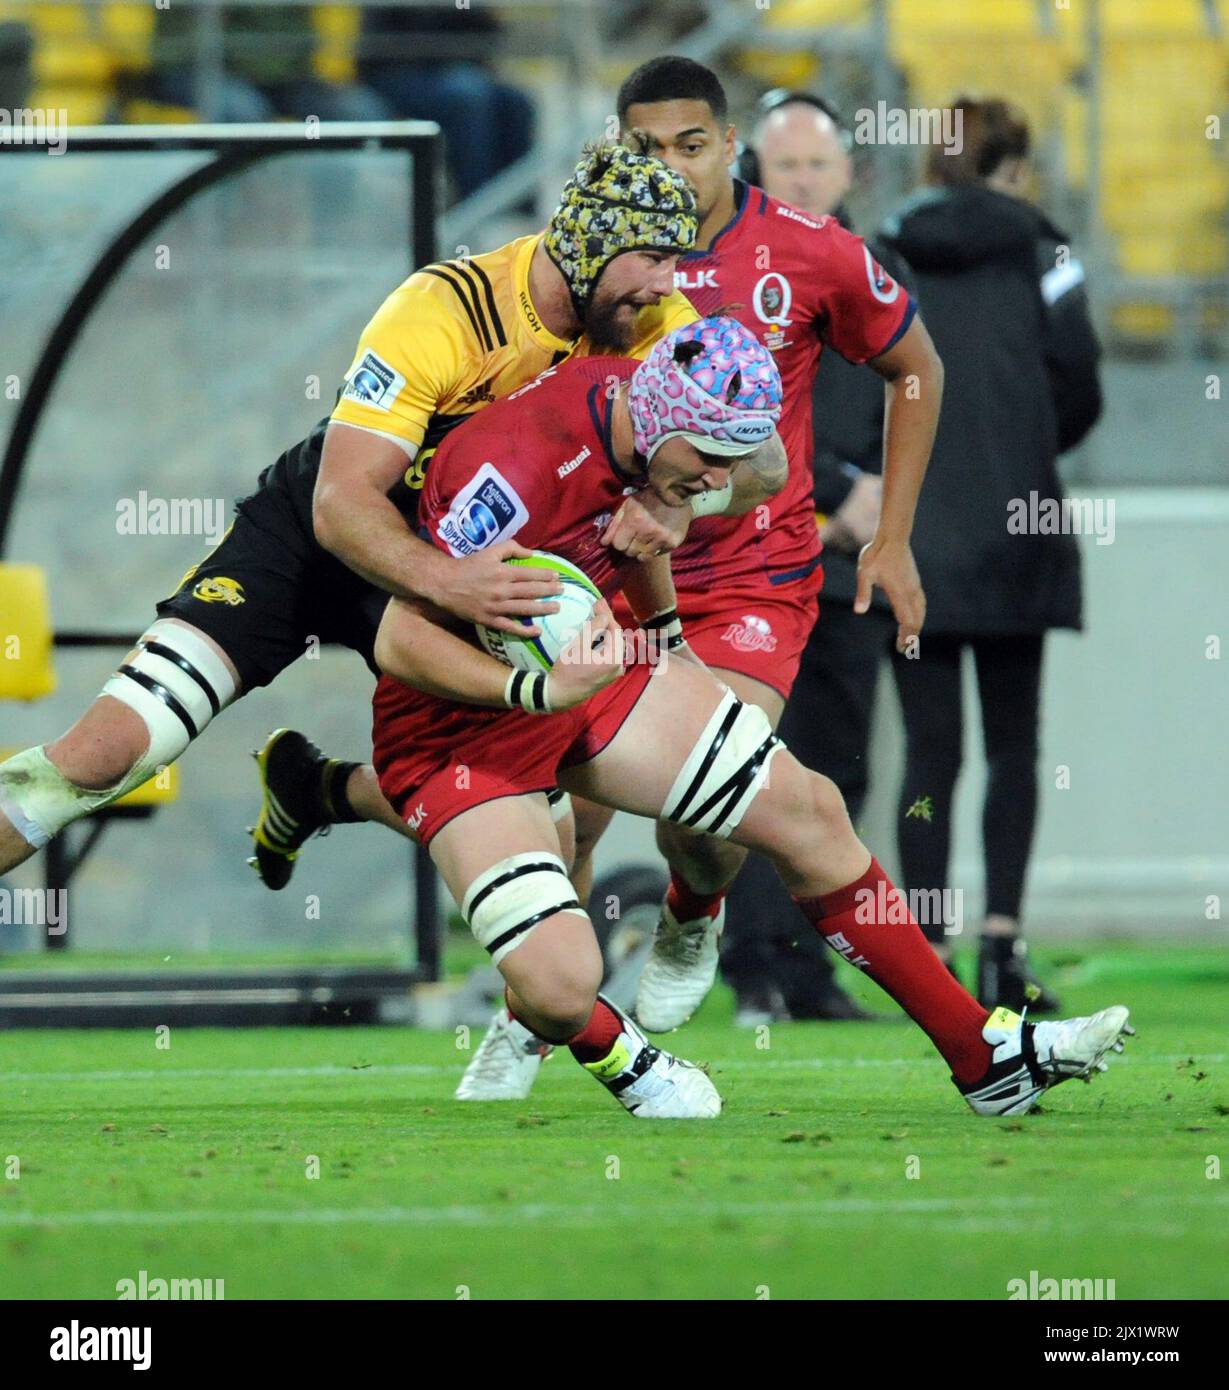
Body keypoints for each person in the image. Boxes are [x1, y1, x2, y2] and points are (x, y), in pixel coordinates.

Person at [372, 316, 1132, 1119]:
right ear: (660, 418)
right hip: (458, 728)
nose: (717, 480)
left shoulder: (640, 426)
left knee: (807, 809)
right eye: (708, 458)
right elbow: (399, 636)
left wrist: (666, 644)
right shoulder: (512, 471)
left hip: (586, 677)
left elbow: (638, 528)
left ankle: (983, 1058)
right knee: (561, 989)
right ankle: (621, 1057)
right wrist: (536, 694)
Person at [0, 146, 700, 886]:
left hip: (455, 574)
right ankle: (316, 788)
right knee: (104, 755)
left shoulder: (660, 325)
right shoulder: (446, 306)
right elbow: (341, 503)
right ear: (588, 240)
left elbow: (753, 449)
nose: (666, 284)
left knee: (555, 844)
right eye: (651, 257)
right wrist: (449, 583)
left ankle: (321, 791)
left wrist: (669, 499)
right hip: (322, 542)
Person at [553, 57, 942, 1050]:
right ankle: (541, 1010)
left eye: (692, 145)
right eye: (646, 149)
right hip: (606, 568)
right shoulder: (587, 255)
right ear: (615, 149)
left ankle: (691, 907)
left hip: (746, 579)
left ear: (731, 145)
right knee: (567, 825)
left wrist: (890, 537)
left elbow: (914, 367)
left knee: (706, 810)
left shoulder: (809, 250)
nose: (673, 168)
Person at [876, 97, 1103, 1012]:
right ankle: (1001, 950)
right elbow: (1081, 384)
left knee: (929, 754)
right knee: (1015, 748)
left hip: (914, 533)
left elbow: (865, 372)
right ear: (1015, 166)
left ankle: (924, 952)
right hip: (1020, 531)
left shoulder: (887, 251)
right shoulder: (1045, 249)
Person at [720, 91, 908, 1025]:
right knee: (745, 767)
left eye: (816, 166)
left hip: (851, 567)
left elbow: (918, 387)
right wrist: (834, 486)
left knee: (838, 777)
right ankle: (751, 964)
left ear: (845, 174)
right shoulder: (726, 268)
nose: (802, 180)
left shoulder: (872, 269)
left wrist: (883, 508)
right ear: (755, 167)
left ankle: (811, 969)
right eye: (784, 165)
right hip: (755, 557)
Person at [358, 5, 535, 199]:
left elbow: (488, 30)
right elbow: (384, 38)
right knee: (466, 96)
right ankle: (476, 206)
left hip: (455, 69)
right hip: (396, 71)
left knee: (516, 102)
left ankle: (516, 208)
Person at [148, 4, 388, 123]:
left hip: (287, 79)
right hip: (196, 72)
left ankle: (336, 217)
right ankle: (232, 214)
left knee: (359, 112)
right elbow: (183, 39)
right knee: (243, 112)